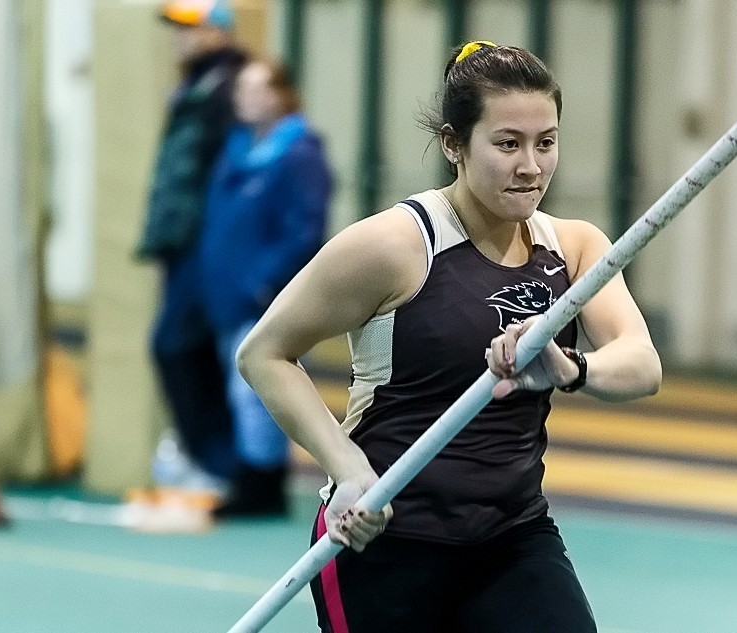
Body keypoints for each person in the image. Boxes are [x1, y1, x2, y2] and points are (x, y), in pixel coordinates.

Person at [236, 41, 662, 632]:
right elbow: (264, 354)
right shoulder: (394, 247)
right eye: (507, 144)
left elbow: (641, 364)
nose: (531, 166)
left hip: (512, 537)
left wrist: (572, 369)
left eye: (546, 142)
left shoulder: (573, 246)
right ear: (453, 144)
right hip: (384, 539)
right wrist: (348, 469)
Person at [198, 57, 332, 518]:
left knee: (254, 391)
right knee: (239, 389)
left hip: (265, 295)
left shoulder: (299, 155)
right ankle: (253, 474)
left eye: (258, 89)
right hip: (228, 296)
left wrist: (263, 283)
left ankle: (262, 482)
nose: (247, 99)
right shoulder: (236, 149)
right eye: (243, 90)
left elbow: (304, 230)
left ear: (281, 95)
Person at [135, 0, 247, 491]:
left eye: (191, 28)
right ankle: (211, 460)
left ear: (219, 30)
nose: (181, 38)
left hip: (209, 245)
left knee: (179, 346)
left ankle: (218, 463)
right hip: (185, 244)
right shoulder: (195, 86)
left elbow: (224, 177)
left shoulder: (230, 88)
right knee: (187, 349)